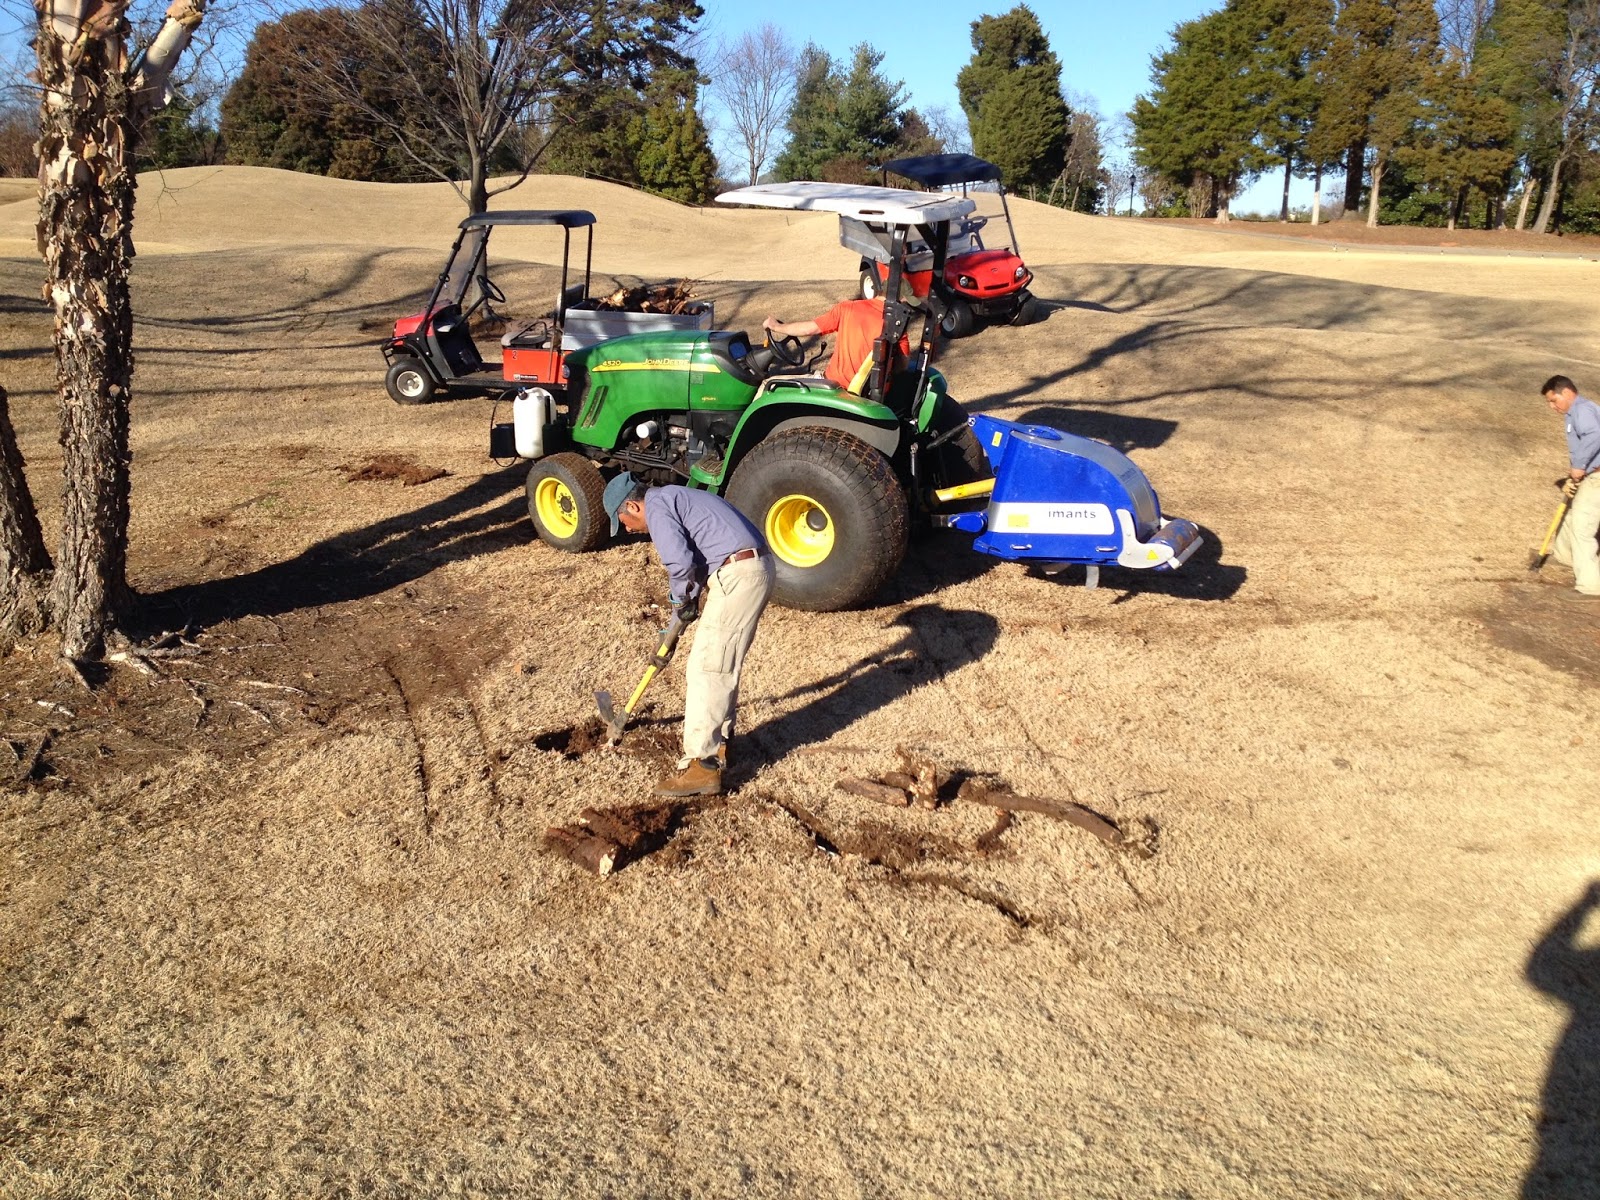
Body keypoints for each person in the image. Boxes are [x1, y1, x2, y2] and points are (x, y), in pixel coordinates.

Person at [602, 473, 775, 797]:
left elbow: (680, 567)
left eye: (622, 521)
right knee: (723, 663)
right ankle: (719, 745)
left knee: (708, 667)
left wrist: (681, 602)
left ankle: (701, 766)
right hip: (751, 568)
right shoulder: (673, 498)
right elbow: (691, 575)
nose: (625, 529)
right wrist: (676, 620)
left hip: (738, 572)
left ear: (631, 505)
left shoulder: (658, 507)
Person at [763, 294, 910, 394]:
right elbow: (902, 365)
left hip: (833, 385)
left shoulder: (847, 308)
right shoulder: (897, 329)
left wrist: (777, 327)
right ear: (898, 299)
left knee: (768, 385)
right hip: (868, 392)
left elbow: (811, 328)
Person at [1542, 374, 1600, 597]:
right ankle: (1566, 557)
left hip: (1597, 476)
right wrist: (1574, 476)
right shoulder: (1574, 412)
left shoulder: (1582, 409)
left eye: (1553, 400)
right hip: (1591, 476)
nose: (1551, 406)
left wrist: (1579, 465)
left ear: (1566, 393)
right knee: (1570, 516)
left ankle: (1591, 586)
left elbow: (1595, 434)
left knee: (1582, 527)